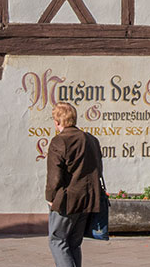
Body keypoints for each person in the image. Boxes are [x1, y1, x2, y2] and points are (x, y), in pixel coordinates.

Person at [45, 102, 103, 267]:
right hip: (88, 199)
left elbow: (54, 176)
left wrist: (50, 198)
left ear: (57, 122)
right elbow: (99, 168)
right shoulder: (91, 139)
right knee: (73, 243)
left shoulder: (59, 141)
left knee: (57, 241)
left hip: (67, 200)